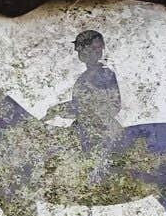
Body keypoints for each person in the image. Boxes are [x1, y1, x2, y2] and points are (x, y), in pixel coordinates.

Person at [45, 31, 123, 164]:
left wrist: (60, 109)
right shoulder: (85, 77)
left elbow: (111, 105)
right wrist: (59, 110)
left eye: (99, 47)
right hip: (86, 130)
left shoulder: (104, 73)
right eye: (93, 48)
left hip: (100, 132)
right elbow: (81, 105)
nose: (98, 51)